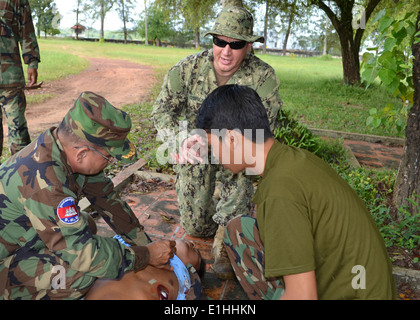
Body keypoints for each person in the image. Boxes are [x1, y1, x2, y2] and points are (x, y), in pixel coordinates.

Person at [195, 84, 397, 300]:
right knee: (238, 229)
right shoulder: (291, 160)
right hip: (358, 283)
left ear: (232, 139)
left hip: (350, 293)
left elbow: (304, 297)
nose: (214, 156)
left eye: (212, 146)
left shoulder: (279, 192)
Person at [0, 91, 176, 300]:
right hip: (6, 257)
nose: (110, 162)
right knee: (79, 273)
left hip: (21, 236)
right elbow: (85, 255)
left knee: (88, 225)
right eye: (108, 157)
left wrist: (145, 246)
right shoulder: (47, 182)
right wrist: (144, 256)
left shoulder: (58, 146)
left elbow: (108, 201)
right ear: (82, 153)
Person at [151, 5, 282, 280]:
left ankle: (228, 236)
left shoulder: (263, 78)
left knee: (246, 172)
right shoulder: (187, 69)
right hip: (196, 152)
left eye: (236, 44)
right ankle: (225, 216)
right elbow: (161, 111)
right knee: (196, 227)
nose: (226, 50)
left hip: (237, 153)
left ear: (248, 47)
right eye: (219, 41)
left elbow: (265, 131)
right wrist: (180, 140)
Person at [85, 239, 204, 300]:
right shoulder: (142, 250)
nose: (192, 244)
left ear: (194, 268)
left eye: (196, 253)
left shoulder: (184, 280)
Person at [0, 0, 40, 157]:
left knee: (19, 135)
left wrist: (32, 62)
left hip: (10, 78)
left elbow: (26, 30)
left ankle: (21, 175)